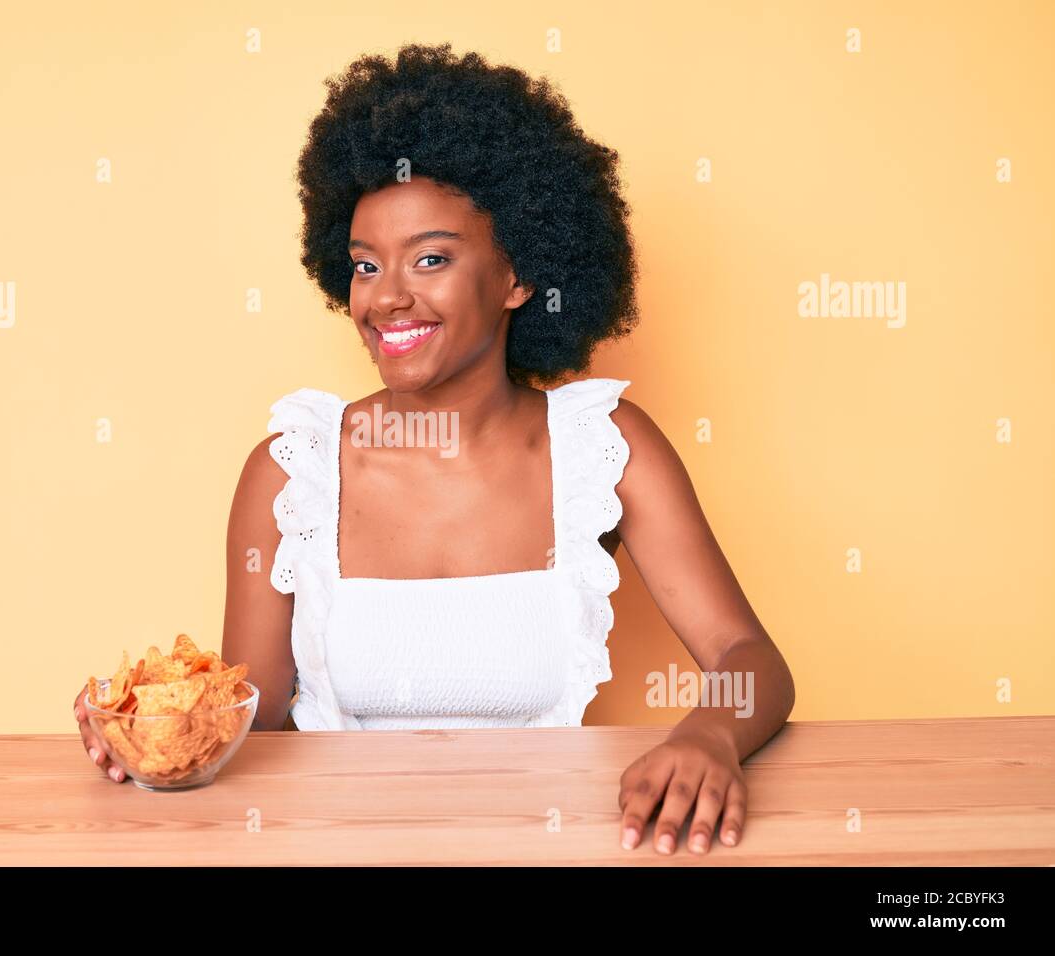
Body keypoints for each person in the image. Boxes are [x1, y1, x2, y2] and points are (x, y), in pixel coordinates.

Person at [75, 42, 795, 855]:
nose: (387, 297)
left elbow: (748, 658)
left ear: (519, 277)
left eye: (431, 259)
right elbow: (255, 714)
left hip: (549, 846)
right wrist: (148, 727)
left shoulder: (604, 449)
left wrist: (708, 736)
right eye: (364, 265)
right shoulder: (292, 471)